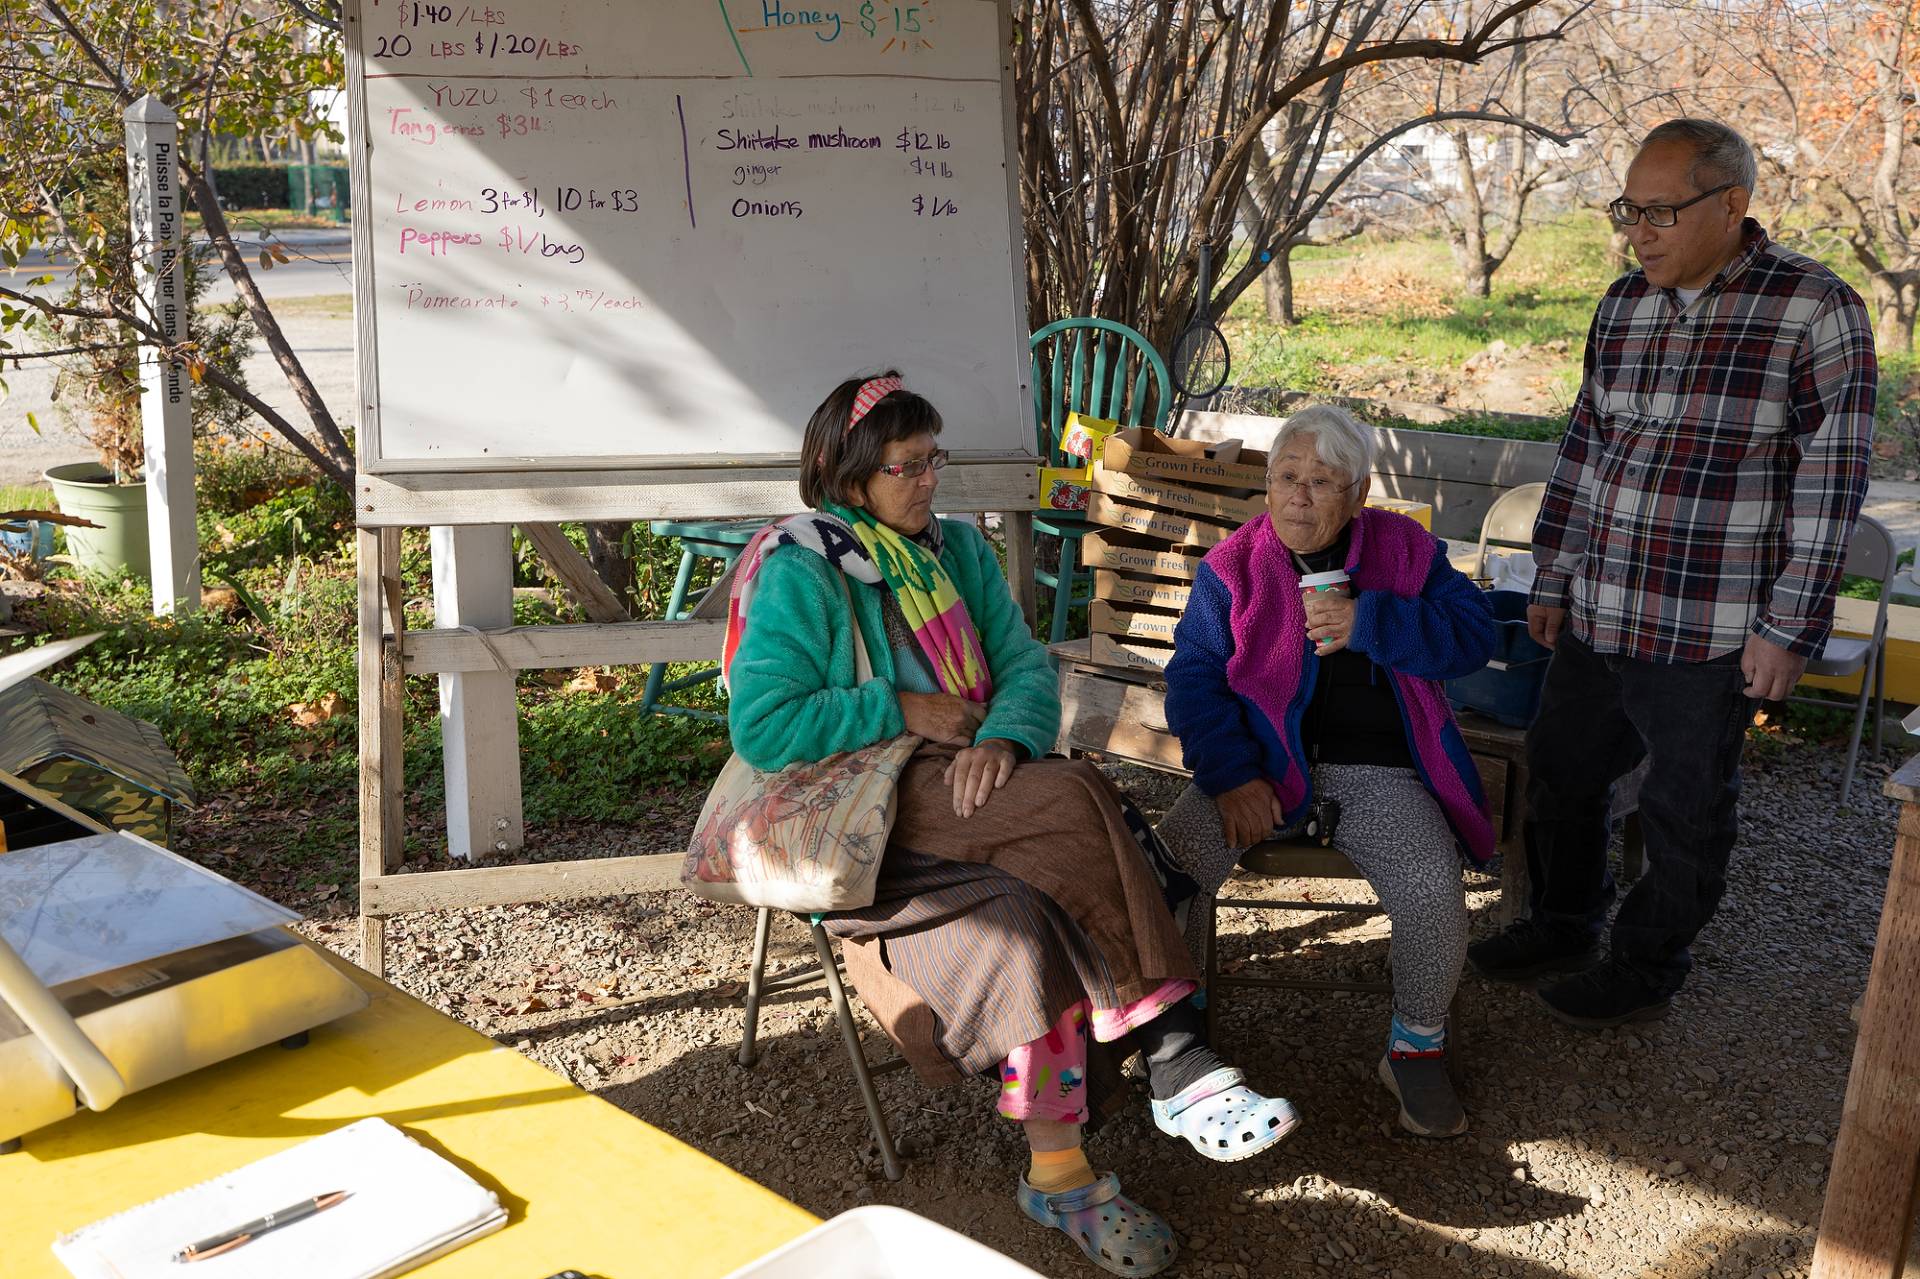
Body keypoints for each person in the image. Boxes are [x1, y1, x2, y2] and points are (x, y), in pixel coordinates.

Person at [723, 371, 1299, 1278]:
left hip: (972, 793)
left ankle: (1058, 1176)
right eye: (905, 467)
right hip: (868, 813)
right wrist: (902, 710)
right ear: (849, 478)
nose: (927, 481)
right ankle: (1175, 1052)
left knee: (1028, 916)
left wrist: (1002, 734)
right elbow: (764, 726)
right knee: (1079, 798)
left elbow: (1025, 666)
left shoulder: (956, 551)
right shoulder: (805, 566)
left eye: (932, 459)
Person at [1467, 118, 1878, 1028]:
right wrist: (1553, 576)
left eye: (1659, 212)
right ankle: (1566, 921)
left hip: (1711, 629)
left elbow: (1831, 483)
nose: (1637, 233)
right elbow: (1582, 449)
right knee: (1564, 778)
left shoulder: (1816, 309)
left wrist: (1789, 628)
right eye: (1628, 211)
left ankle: (1647, 965)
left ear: (1732, 204)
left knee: (1684, 808)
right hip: (1599, 611)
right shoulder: (1623, 305)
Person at [1156, 404, 1498, 1139]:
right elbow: (1192, 680)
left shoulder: (1405, 551)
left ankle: (1415, 1044)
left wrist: (1369, 621)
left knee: (1433, 889)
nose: (1299, 496)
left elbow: (1475, 636)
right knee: (1167, 868)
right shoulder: (1233, 567)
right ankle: (1176, 1037)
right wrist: (1229, 774)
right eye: (1286, 477)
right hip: (1258, 767)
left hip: (1378, 772)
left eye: (1321, 480)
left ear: (1360, 490)